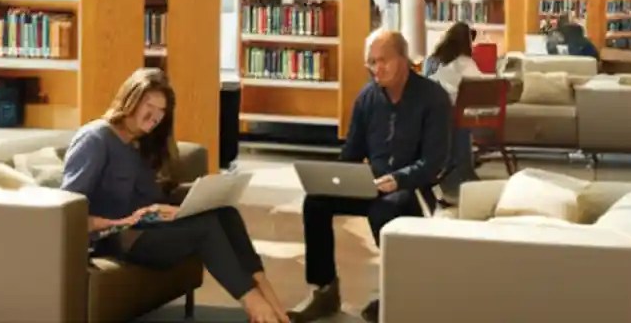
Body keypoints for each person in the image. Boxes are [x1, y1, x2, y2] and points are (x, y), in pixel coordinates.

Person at [61, 69, 288, 323]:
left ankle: (271, 301)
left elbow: (150, 196)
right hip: (121, 237)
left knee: (225, 213)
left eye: (161, 112)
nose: (155, 117)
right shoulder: (96, 139)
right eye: (149, 107)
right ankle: (256, 308)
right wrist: (122, 222)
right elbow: (68, 211)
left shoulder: (142, 142)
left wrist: (195, 196)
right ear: (130, 100)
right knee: (206, 228)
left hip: (150, 225)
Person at [292, 30, 453, 323]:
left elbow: (434, 162)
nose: (377, 69)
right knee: (315, 202)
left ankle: (396, 292)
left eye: (383, 61)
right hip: (372, 184)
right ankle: (325, 290)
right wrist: (336, 179)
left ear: (404, 59)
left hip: (415, 188)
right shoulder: (367, 98)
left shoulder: (433, 98)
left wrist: (398, 179)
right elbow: (352, 153)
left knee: (385, 209)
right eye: (371, 62)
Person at [421, 22, 484, 196]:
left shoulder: (433, 60)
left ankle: (450, 169)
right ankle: (459, 169)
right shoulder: (466, 63)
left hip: (431, 109)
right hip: (446, 112)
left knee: (455, 118)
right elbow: (479, 86)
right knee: (459, 119)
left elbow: (425, 83)